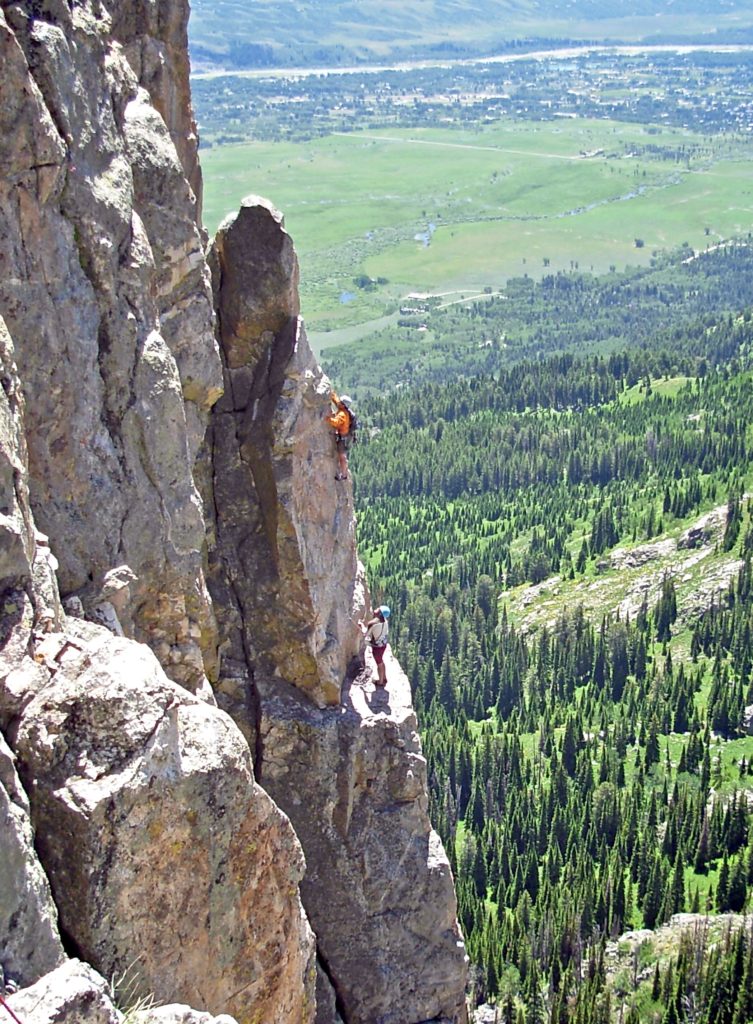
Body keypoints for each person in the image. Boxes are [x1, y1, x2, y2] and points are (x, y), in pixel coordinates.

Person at [359, 605, 390, 687]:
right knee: (381, 662)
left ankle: (380, 682)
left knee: (379, 664)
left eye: (378, 609)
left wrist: (361, 625)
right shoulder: (385, 621)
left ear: (380, 614)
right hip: (383, 645)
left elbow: (365, 634)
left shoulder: (372, 624)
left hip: (377, 648)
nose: (376, 609)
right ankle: (384, 678)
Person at [324, 390, 353, 481]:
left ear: (343, 405)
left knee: (342, 457)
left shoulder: (342, 414)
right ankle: (343, 472)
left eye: (340, 402)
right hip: (344, 436)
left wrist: (327, 419)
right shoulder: (343, 409)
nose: (338, 402)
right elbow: (336, 400)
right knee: (342, 456)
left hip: (343, 439)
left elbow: (336, 423)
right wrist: (331, 393)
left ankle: (344, 475)